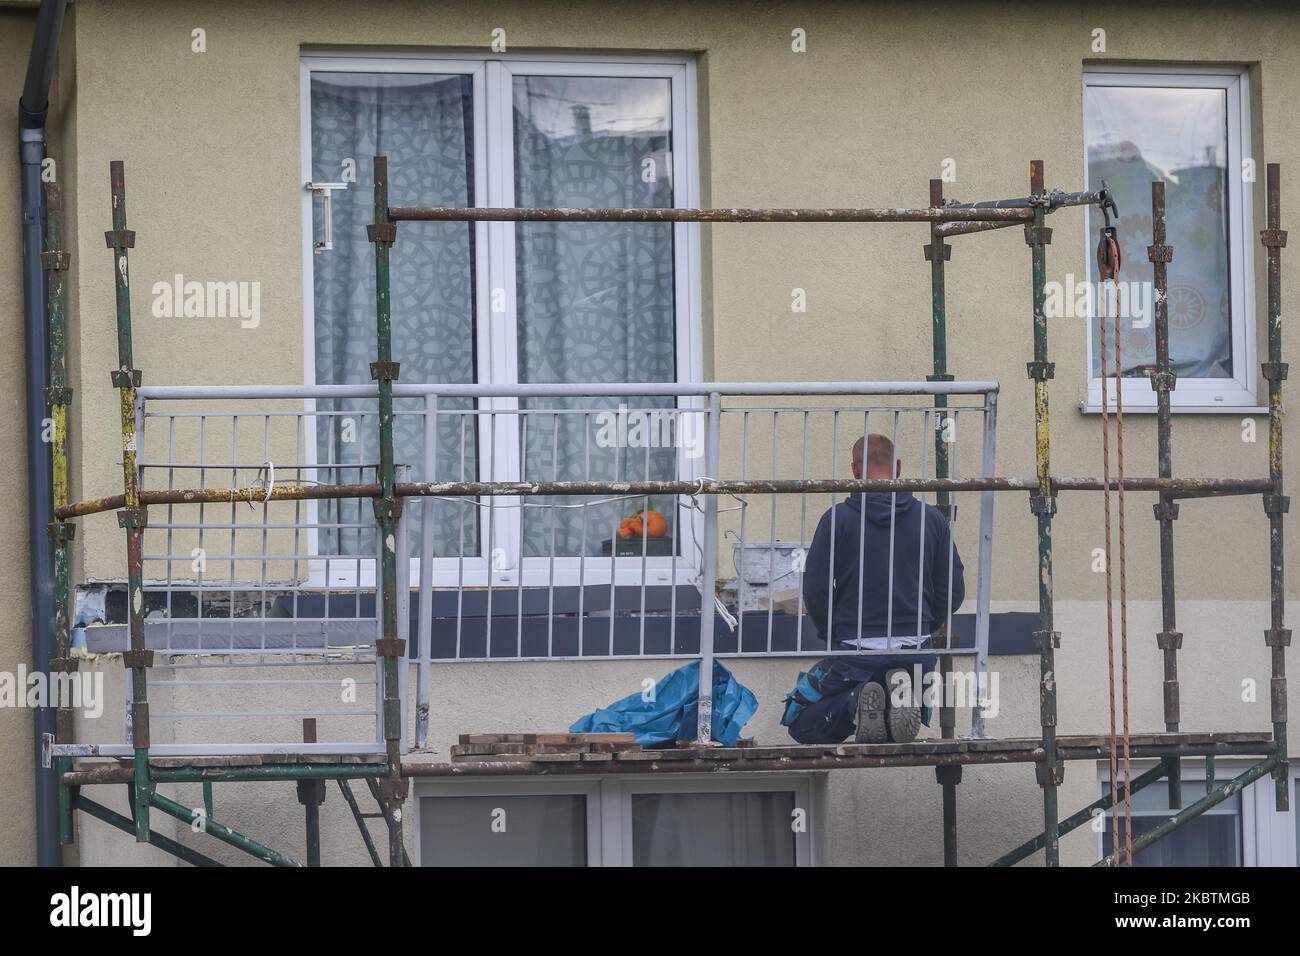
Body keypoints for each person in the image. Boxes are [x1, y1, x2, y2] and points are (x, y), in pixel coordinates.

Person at [782, 433, 965, 744]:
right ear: (897, 468)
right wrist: (925, 626)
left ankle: (856, 703)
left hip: (855, 654)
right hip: (915, 651)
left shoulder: (837, 519)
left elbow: (815, 588)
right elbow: (953, 590)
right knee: (896, 717)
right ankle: (901, 697)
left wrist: (833, 631)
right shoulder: (931, 519)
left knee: (800, 721)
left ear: (854, 471)